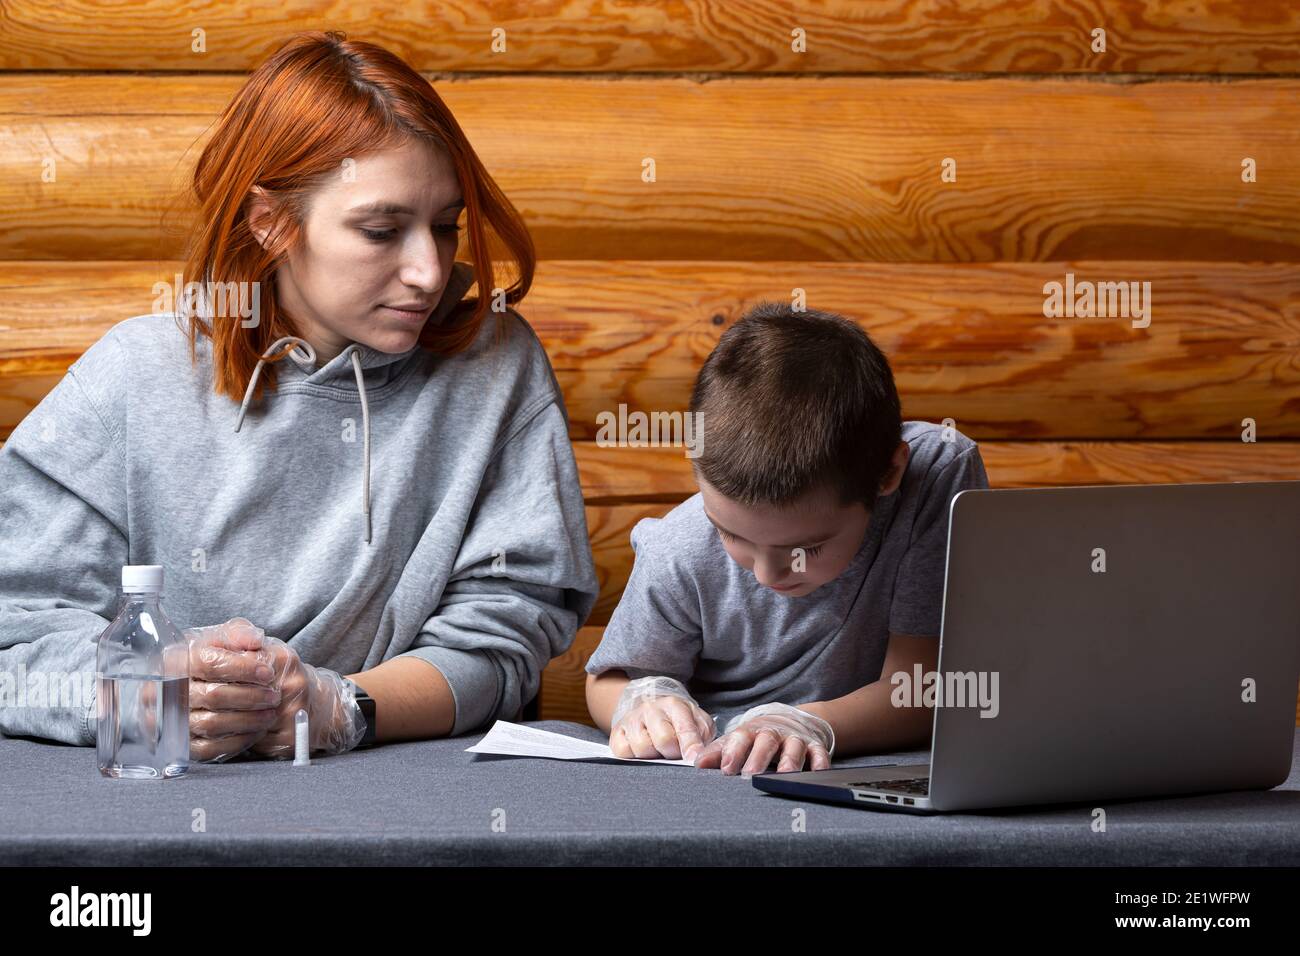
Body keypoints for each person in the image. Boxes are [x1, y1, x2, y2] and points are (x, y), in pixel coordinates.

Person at [0, 31, 598, 760]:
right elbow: (15, 640)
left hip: (406, 801)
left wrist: (342, 707)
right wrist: (152, 701)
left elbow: (509, 629)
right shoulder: (131, 374)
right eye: (382, 230)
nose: (429, 271)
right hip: (154, 806)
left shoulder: (496, 361)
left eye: (445, 228)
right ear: (272, 222)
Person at [585, 303, 990, 775]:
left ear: (889, 474)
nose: (766, 573)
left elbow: (923, 689)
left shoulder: (935, 476)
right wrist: (640, 703)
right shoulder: (679, 548)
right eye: (730, 533)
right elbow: (607, 681)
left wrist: (809, 723)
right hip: (715, 772)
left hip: (860, 769)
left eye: (806, 549)